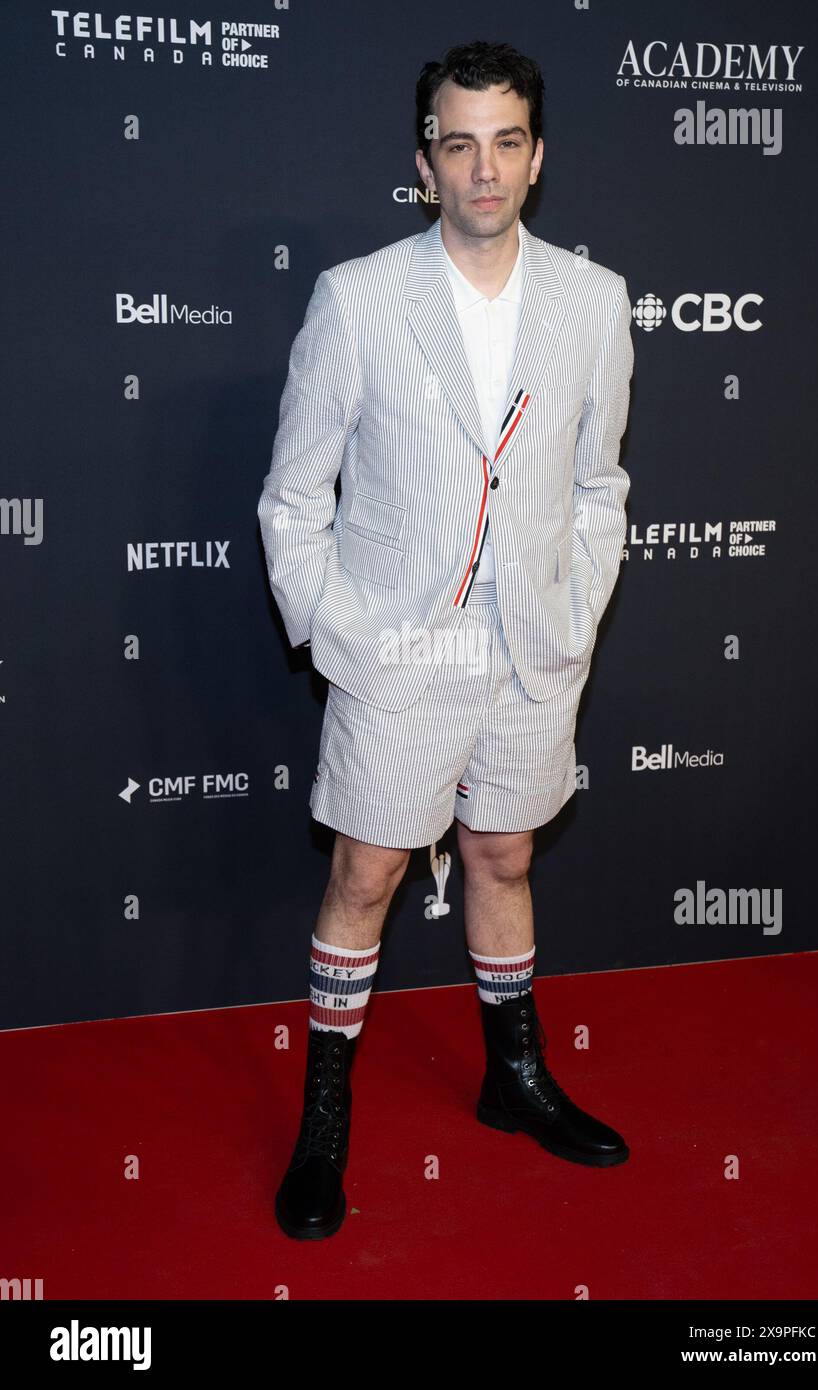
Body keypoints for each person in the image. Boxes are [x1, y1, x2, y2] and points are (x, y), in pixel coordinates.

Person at [257, 40, 635, 1241]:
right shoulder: (357, 298)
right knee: (364, 875)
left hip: (529, 644)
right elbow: (291, 495)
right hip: (398, 649)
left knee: (505, 855)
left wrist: (571, 607)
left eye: (506, 141)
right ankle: (325, 1127)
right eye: (457, 143)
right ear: (424, 162)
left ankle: (510, 1078)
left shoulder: (593, 299)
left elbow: (597, 481)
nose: (483, 168)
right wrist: (337, 632)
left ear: (538, 156)